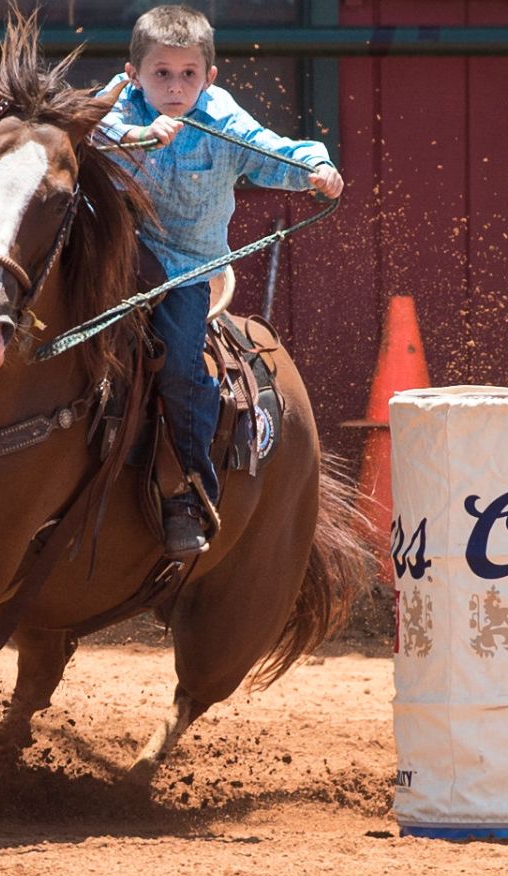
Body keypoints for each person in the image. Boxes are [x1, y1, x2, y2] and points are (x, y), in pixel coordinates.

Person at [97, 4, 344, 560]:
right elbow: (85, 132)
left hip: (186, 270)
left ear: (210, 78)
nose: (176, 86)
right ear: (134, 73)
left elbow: (273, 150)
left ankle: (189, 491)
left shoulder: (222, 121)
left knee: (183, 367)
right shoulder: (115, 102)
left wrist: (315, 168)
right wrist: (139, 135)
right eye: (161, 73)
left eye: (189, 74)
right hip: (112, 258)